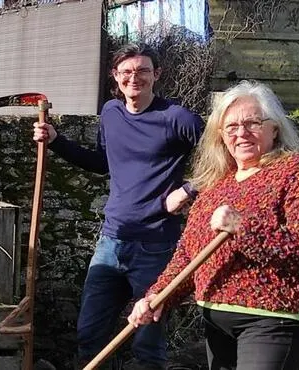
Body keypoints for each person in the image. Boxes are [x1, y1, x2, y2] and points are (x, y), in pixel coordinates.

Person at [127, 80, 299, 369]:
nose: (241, 133)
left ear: (274, 128)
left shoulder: (297, 170)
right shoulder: (215, 185)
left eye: (253, 123)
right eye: (231, 127)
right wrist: (158, 295)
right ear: (221, 136)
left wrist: (243, 228)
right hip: (216, 319)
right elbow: (189, 255)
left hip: (273, 317)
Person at [33, 43, 205, 369]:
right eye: (126, 72)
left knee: (148, 344)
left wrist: (187, 189)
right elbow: (102, 163)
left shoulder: (177, 118)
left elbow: (223, 156)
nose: (134, 77)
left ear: (157, 74)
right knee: (90, 335)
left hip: (155, 246)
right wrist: (57, 141)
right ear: (115, 76)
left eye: (142, 70)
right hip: (111, 241)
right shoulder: (111, 113)